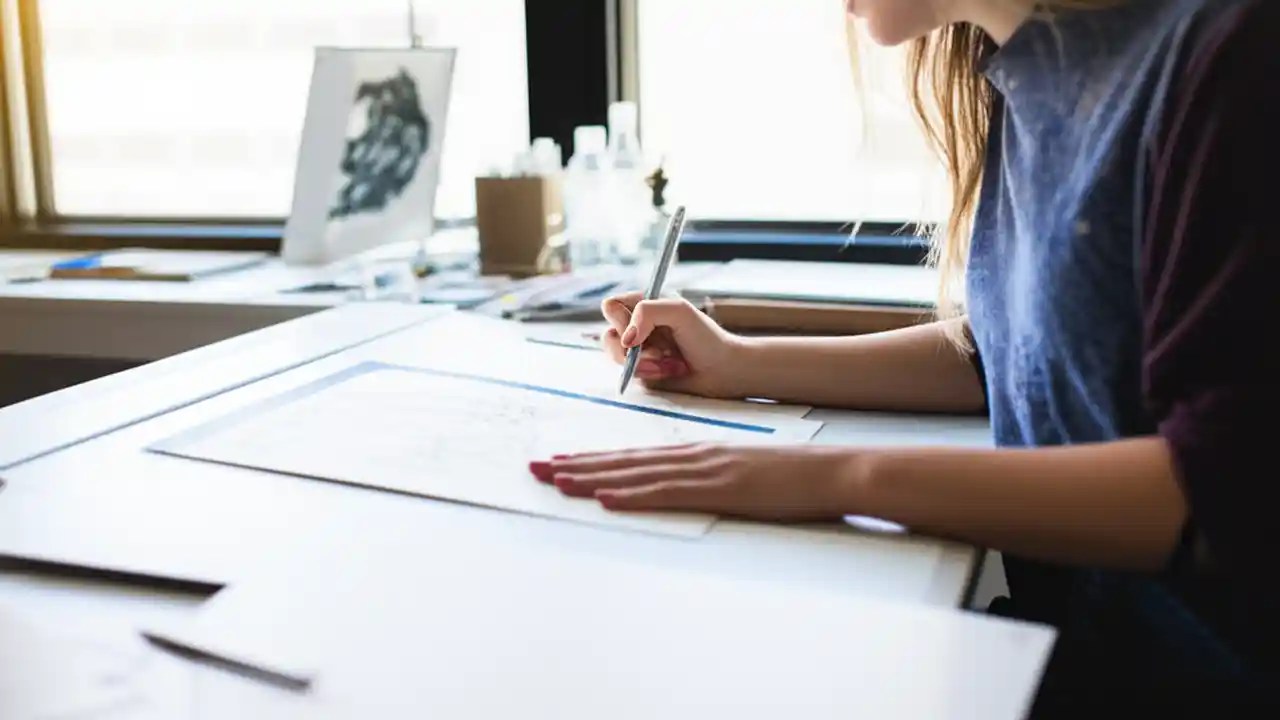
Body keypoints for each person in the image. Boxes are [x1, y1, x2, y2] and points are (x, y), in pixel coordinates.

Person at [528, 0, 1278, 715]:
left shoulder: (1227, 58)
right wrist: (739, 362)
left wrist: (835, 475)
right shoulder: (1027, 75)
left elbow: (1215, 492)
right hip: (1084, 655)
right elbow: (1006, 351)